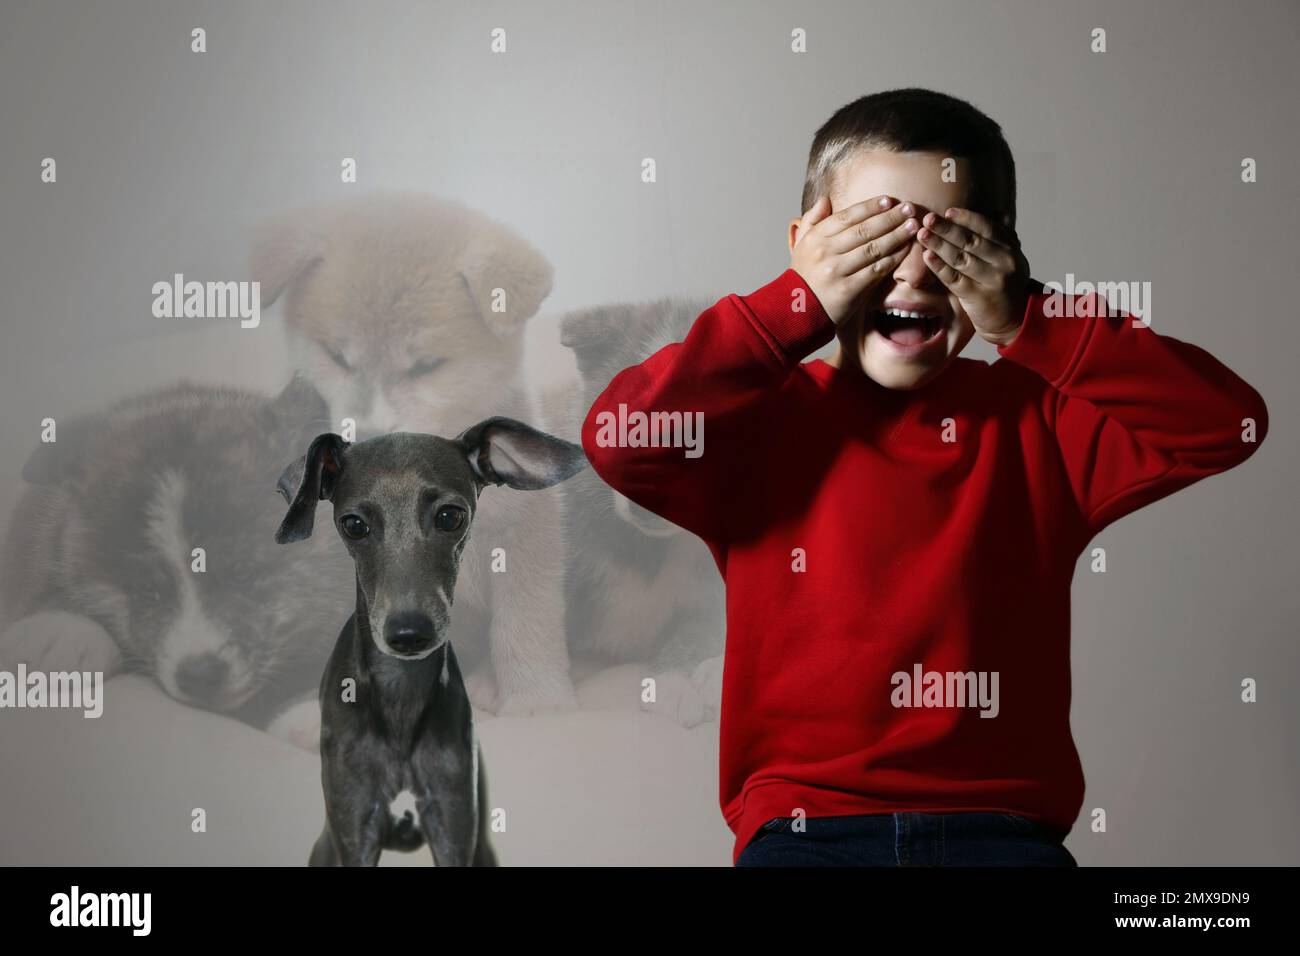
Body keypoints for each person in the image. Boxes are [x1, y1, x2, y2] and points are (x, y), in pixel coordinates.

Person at [580, 88, 1268, 866]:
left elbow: (1226, 423)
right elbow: (618, 440)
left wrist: (1028, 321)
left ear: (1001, 256)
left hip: (1003, 830)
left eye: (951, 242)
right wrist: (789, 307)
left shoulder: (1040, 422)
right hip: (804, 830)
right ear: (807, 243)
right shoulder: (751, 421)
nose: (912, 272)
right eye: (873, 236)